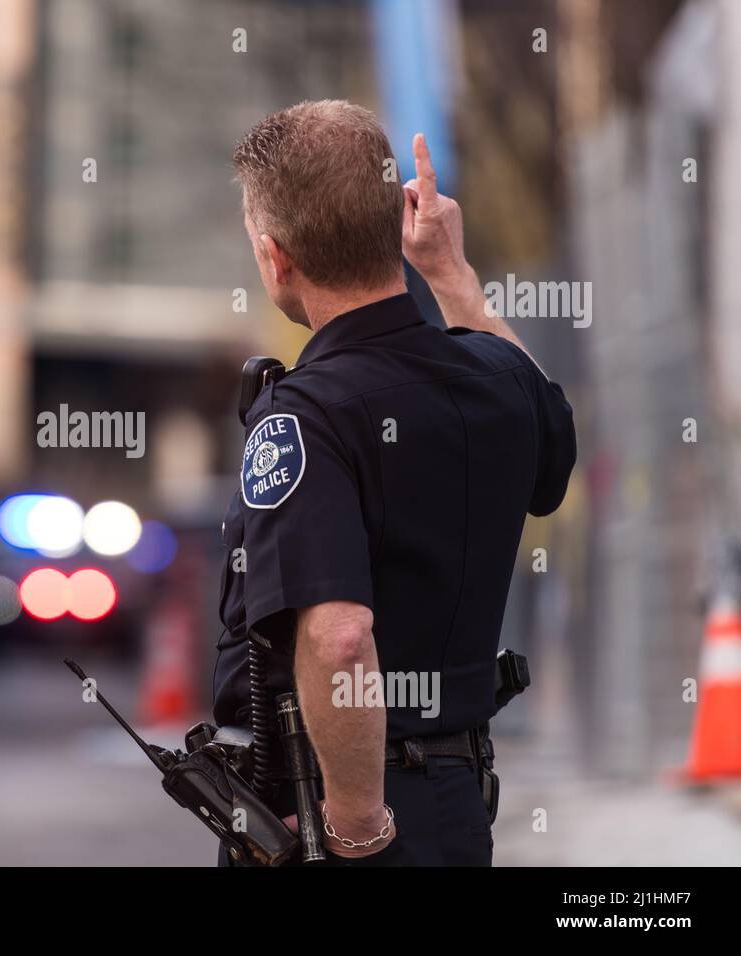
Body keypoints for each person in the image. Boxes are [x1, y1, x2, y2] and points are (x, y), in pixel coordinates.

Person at [213, 101, 576, 865]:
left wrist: (355, 826)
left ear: (277, 258)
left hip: (345, 815)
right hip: (457, 803)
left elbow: (341, 640)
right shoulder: (495, 378)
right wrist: (452, 275)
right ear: (394, 227)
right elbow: (552, 448)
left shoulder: (305, 417)